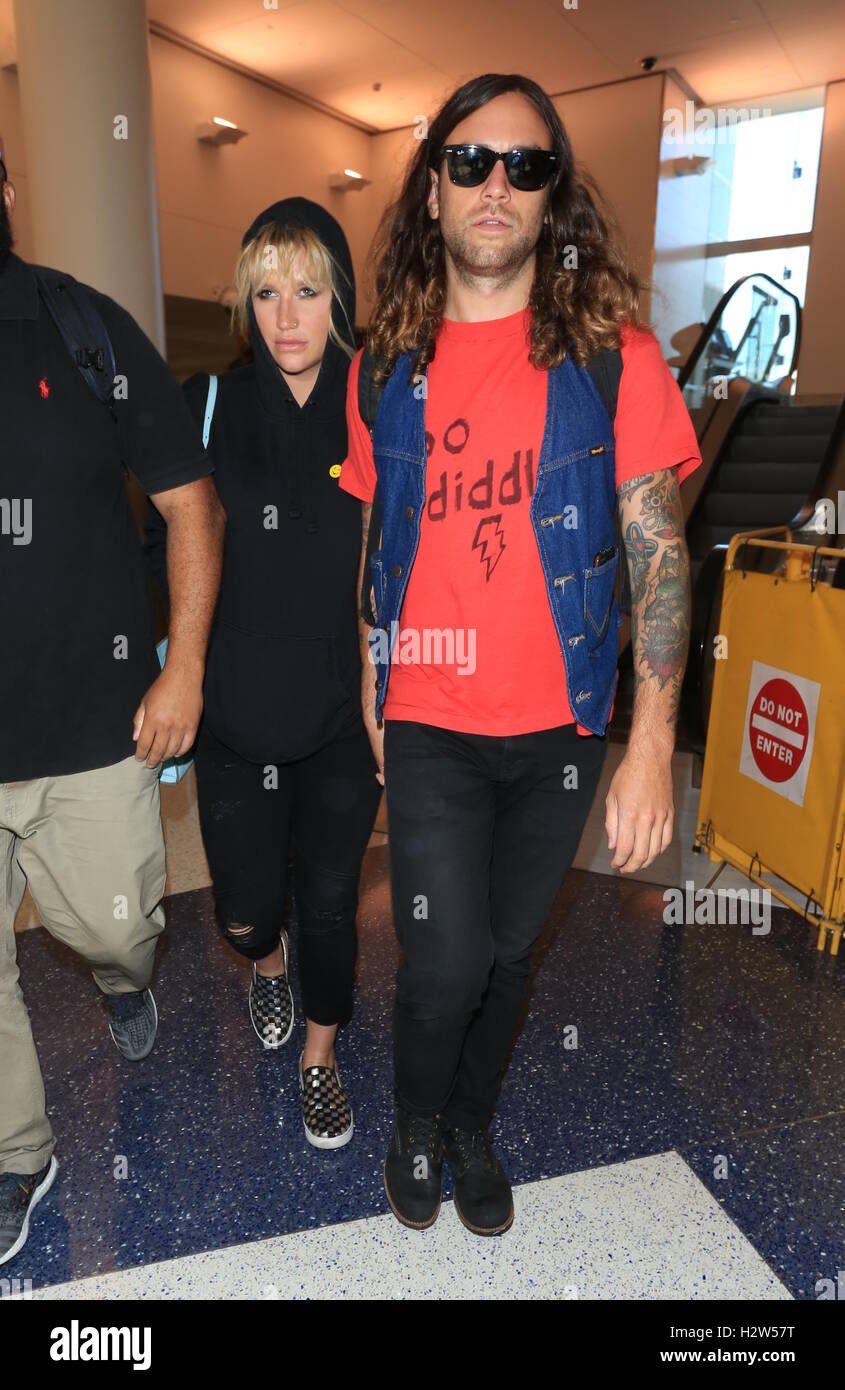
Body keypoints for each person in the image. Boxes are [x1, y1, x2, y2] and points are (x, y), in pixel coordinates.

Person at [340, 74, 702, 1235]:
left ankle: (468, 1124)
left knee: (505, 960)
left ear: (551, 202)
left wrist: (649, 747)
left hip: (557, 727)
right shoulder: (381, 366)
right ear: (432, 190)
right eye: (470, 161)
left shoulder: (611, 361)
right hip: (433, 717)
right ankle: (412, 1117)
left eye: (526, 166)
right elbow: (374, 532)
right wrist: (370, 667)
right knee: (441, 962)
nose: (496, 184)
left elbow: (657, 555)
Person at [0, 146, 225, 1265]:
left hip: (95, 728)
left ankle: (124, 978)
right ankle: (18, 1155)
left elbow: (191, 502)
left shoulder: (82, 330)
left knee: (117, 927)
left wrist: (181, 668)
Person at [146, 199, 381, 1150]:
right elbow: (156, 541)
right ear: (247, 305)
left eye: (309, 290)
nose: (288, 315)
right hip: (235, 714)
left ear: (340, 299)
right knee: (246, 914)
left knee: (330, 899)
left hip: (339, 717)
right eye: (268, 292)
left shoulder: (374, 402)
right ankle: (267, 962)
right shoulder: (207, 402)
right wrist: (168, 668)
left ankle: (320, 1057)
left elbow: (404, 551)